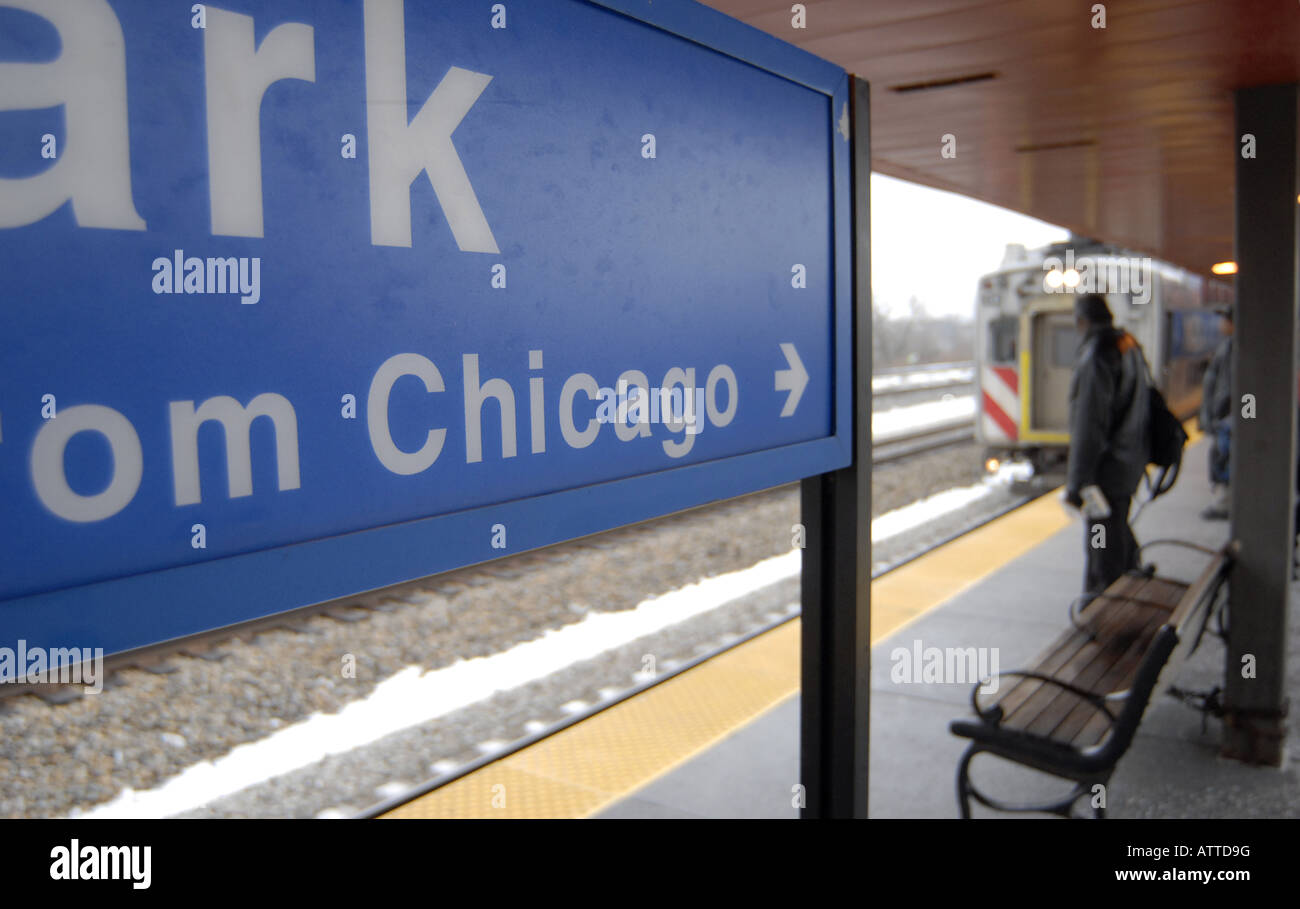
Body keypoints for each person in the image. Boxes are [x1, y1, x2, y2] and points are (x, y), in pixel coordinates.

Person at [1064, 293, 1151, 598]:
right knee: (1116, 532)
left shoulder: (1097, 354)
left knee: (1100, 541)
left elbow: (1090, 425)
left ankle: (1104, 607)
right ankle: (1125, 583)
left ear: (1081, 321)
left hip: (1105, 474)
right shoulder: (1128, 344)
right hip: (1128, 464)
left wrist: (1077, 483)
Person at [1198, 305, 1233, 520]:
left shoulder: (1236, 348)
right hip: (1227, 419)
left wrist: (1242, 418)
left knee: (1225, 458)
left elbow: (1232, 387)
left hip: (1227, 419)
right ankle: (1224, 501)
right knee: (1222, 457)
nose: (1221, 324)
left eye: (1225, 319)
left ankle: (1225, 504)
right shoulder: (1229, 345)